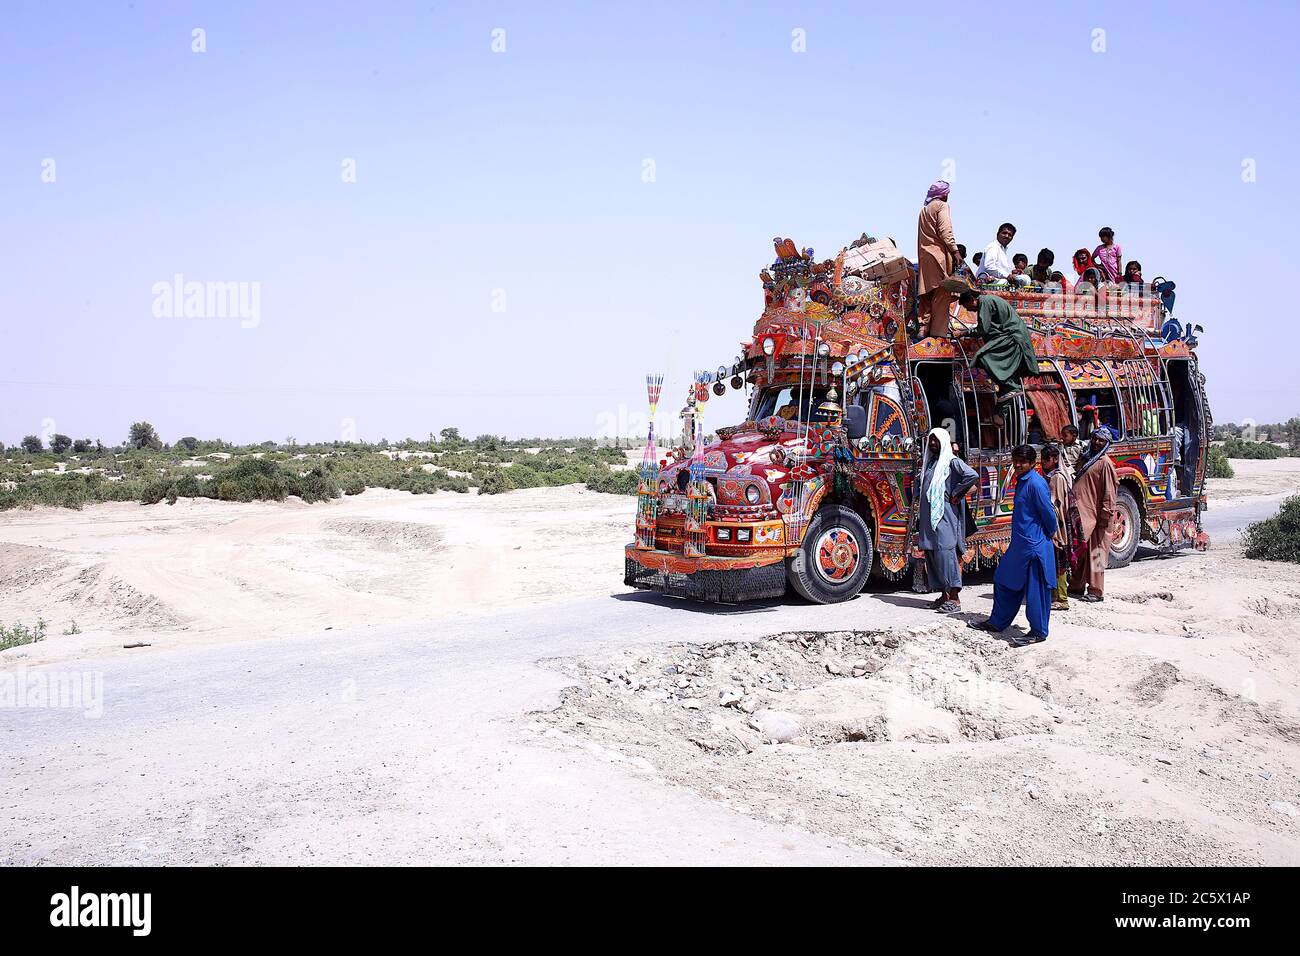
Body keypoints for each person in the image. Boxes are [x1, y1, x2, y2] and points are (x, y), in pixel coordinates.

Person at [969, 445, 1057, 646]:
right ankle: (998, 622)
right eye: (1015, 460)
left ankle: (1038, 631)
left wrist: (1047, 535)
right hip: (1020, 545)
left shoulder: (1036, 484)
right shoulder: (1022, 481)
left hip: (1034, 546)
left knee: (1036, 590)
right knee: (1004, 580)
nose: (1018, 465)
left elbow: (1049, 515)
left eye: (1022, 462)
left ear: (1032, 463)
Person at [915, 427, 979, 613]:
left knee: (946, 553)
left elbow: (972, 475)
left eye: (936, 440)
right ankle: (944, 595)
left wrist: (957, 492)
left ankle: (955, 599)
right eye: (931, 440)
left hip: (945, 516)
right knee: (932, 554)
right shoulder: (930, 463)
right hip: (929, 518)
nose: (933, 444)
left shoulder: (952, 462)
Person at [949, 282, 1037, 397]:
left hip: (1013, 337)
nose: (969, 310)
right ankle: (1007, 391)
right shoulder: (987, 300)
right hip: (1010, 336)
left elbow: (983, 329)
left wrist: (962, 333)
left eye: (966, 307)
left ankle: (1011, 386)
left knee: (983, 357)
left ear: (971, 300)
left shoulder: (985, 302)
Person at [1071, 425, 1118, 602]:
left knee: (1097, 554)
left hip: (1099, 517)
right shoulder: (1087, 458)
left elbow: (1109, 493)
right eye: (1095, 438)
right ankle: (1076, 586)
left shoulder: (1105, 463)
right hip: (1084, 516)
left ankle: (1096, 591)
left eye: (1101, 440)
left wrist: (1105, 516)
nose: (1097, 442)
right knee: (1082, 553)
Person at [916, 180, 962, 336]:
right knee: (942, 293)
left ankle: (923, 328)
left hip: (925, 256)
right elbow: (945, 231)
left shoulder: (924, 210)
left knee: (926, 293)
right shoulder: (942, 206)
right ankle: (938, 335)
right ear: (944, 193)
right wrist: (955, 251)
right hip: (938, 257)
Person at [1041, 443, 1082, 611]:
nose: (1043, 462)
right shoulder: (1055, 475)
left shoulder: (1057, 478)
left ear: (1055, 459)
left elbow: (1055, 504)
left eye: (1046, 459)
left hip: (1058, 526)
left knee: (1059, 562)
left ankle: (1062, 599)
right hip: (1059, 523)